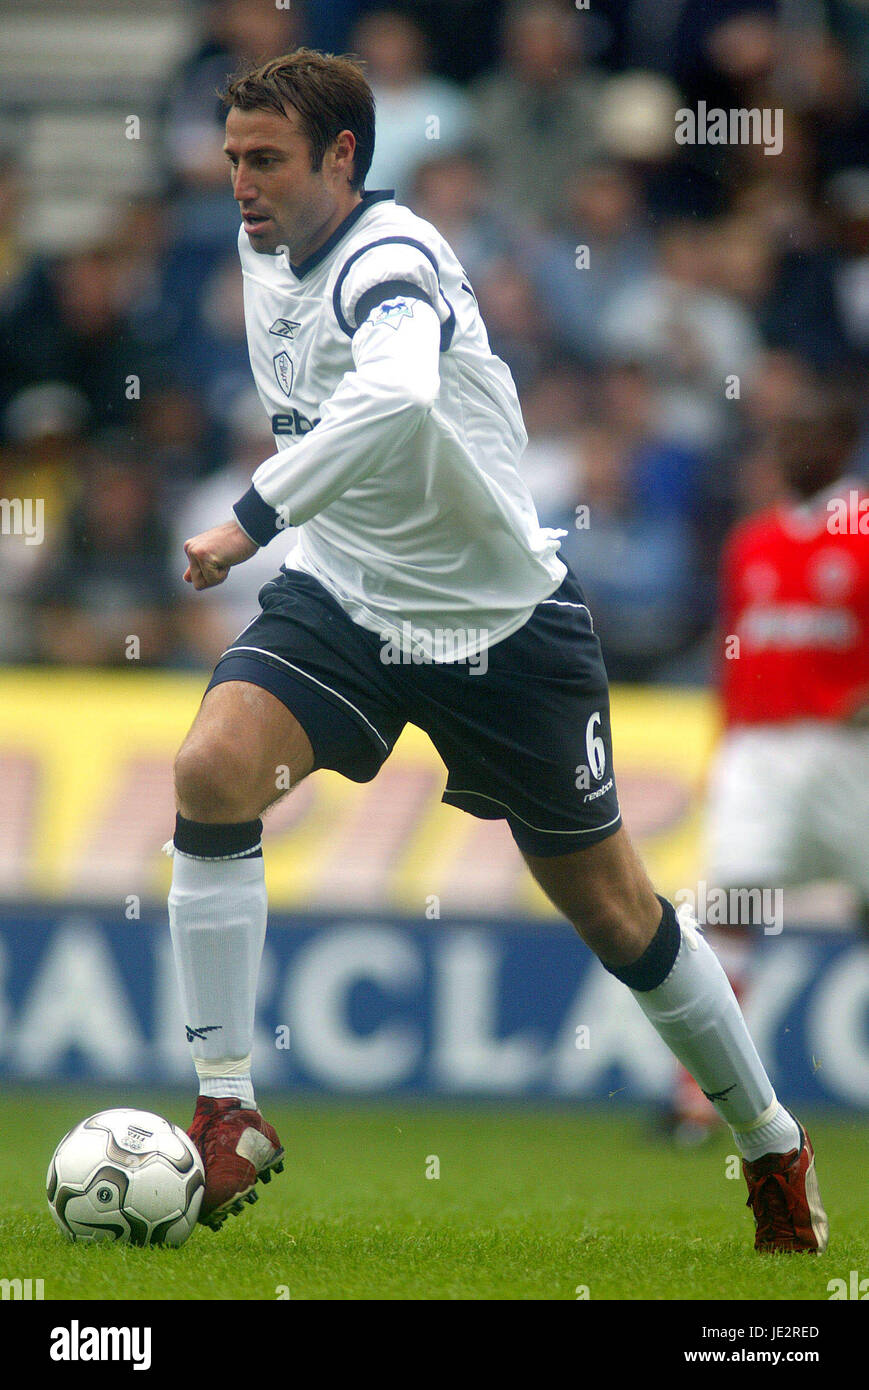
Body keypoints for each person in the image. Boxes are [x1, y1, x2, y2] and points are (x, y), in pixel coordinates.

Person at [168, 47, 826, 1252]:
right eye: (231, 159)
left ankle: (769, 1142)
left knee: (616, 913)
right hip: (347, 600)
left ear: (341, 157)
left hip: (498, 624)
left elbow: (398, 395)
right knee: (211, 769)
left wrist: (250, 517)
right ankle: (226, 1108)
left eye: (266, 160)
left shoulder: (392, 260)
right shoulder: (262, 254)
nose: (241, 183)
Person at [670, 386, 869, 1139]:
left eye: (809, 434)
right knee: (730, 907)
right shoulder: (752, 539)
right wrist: (721, 745)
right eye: (784, 435)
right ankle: (702, 1098)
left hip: (847, 752)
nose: (792, 448)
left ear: (844, 443)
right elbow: (731, 655)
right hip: (757, 752)